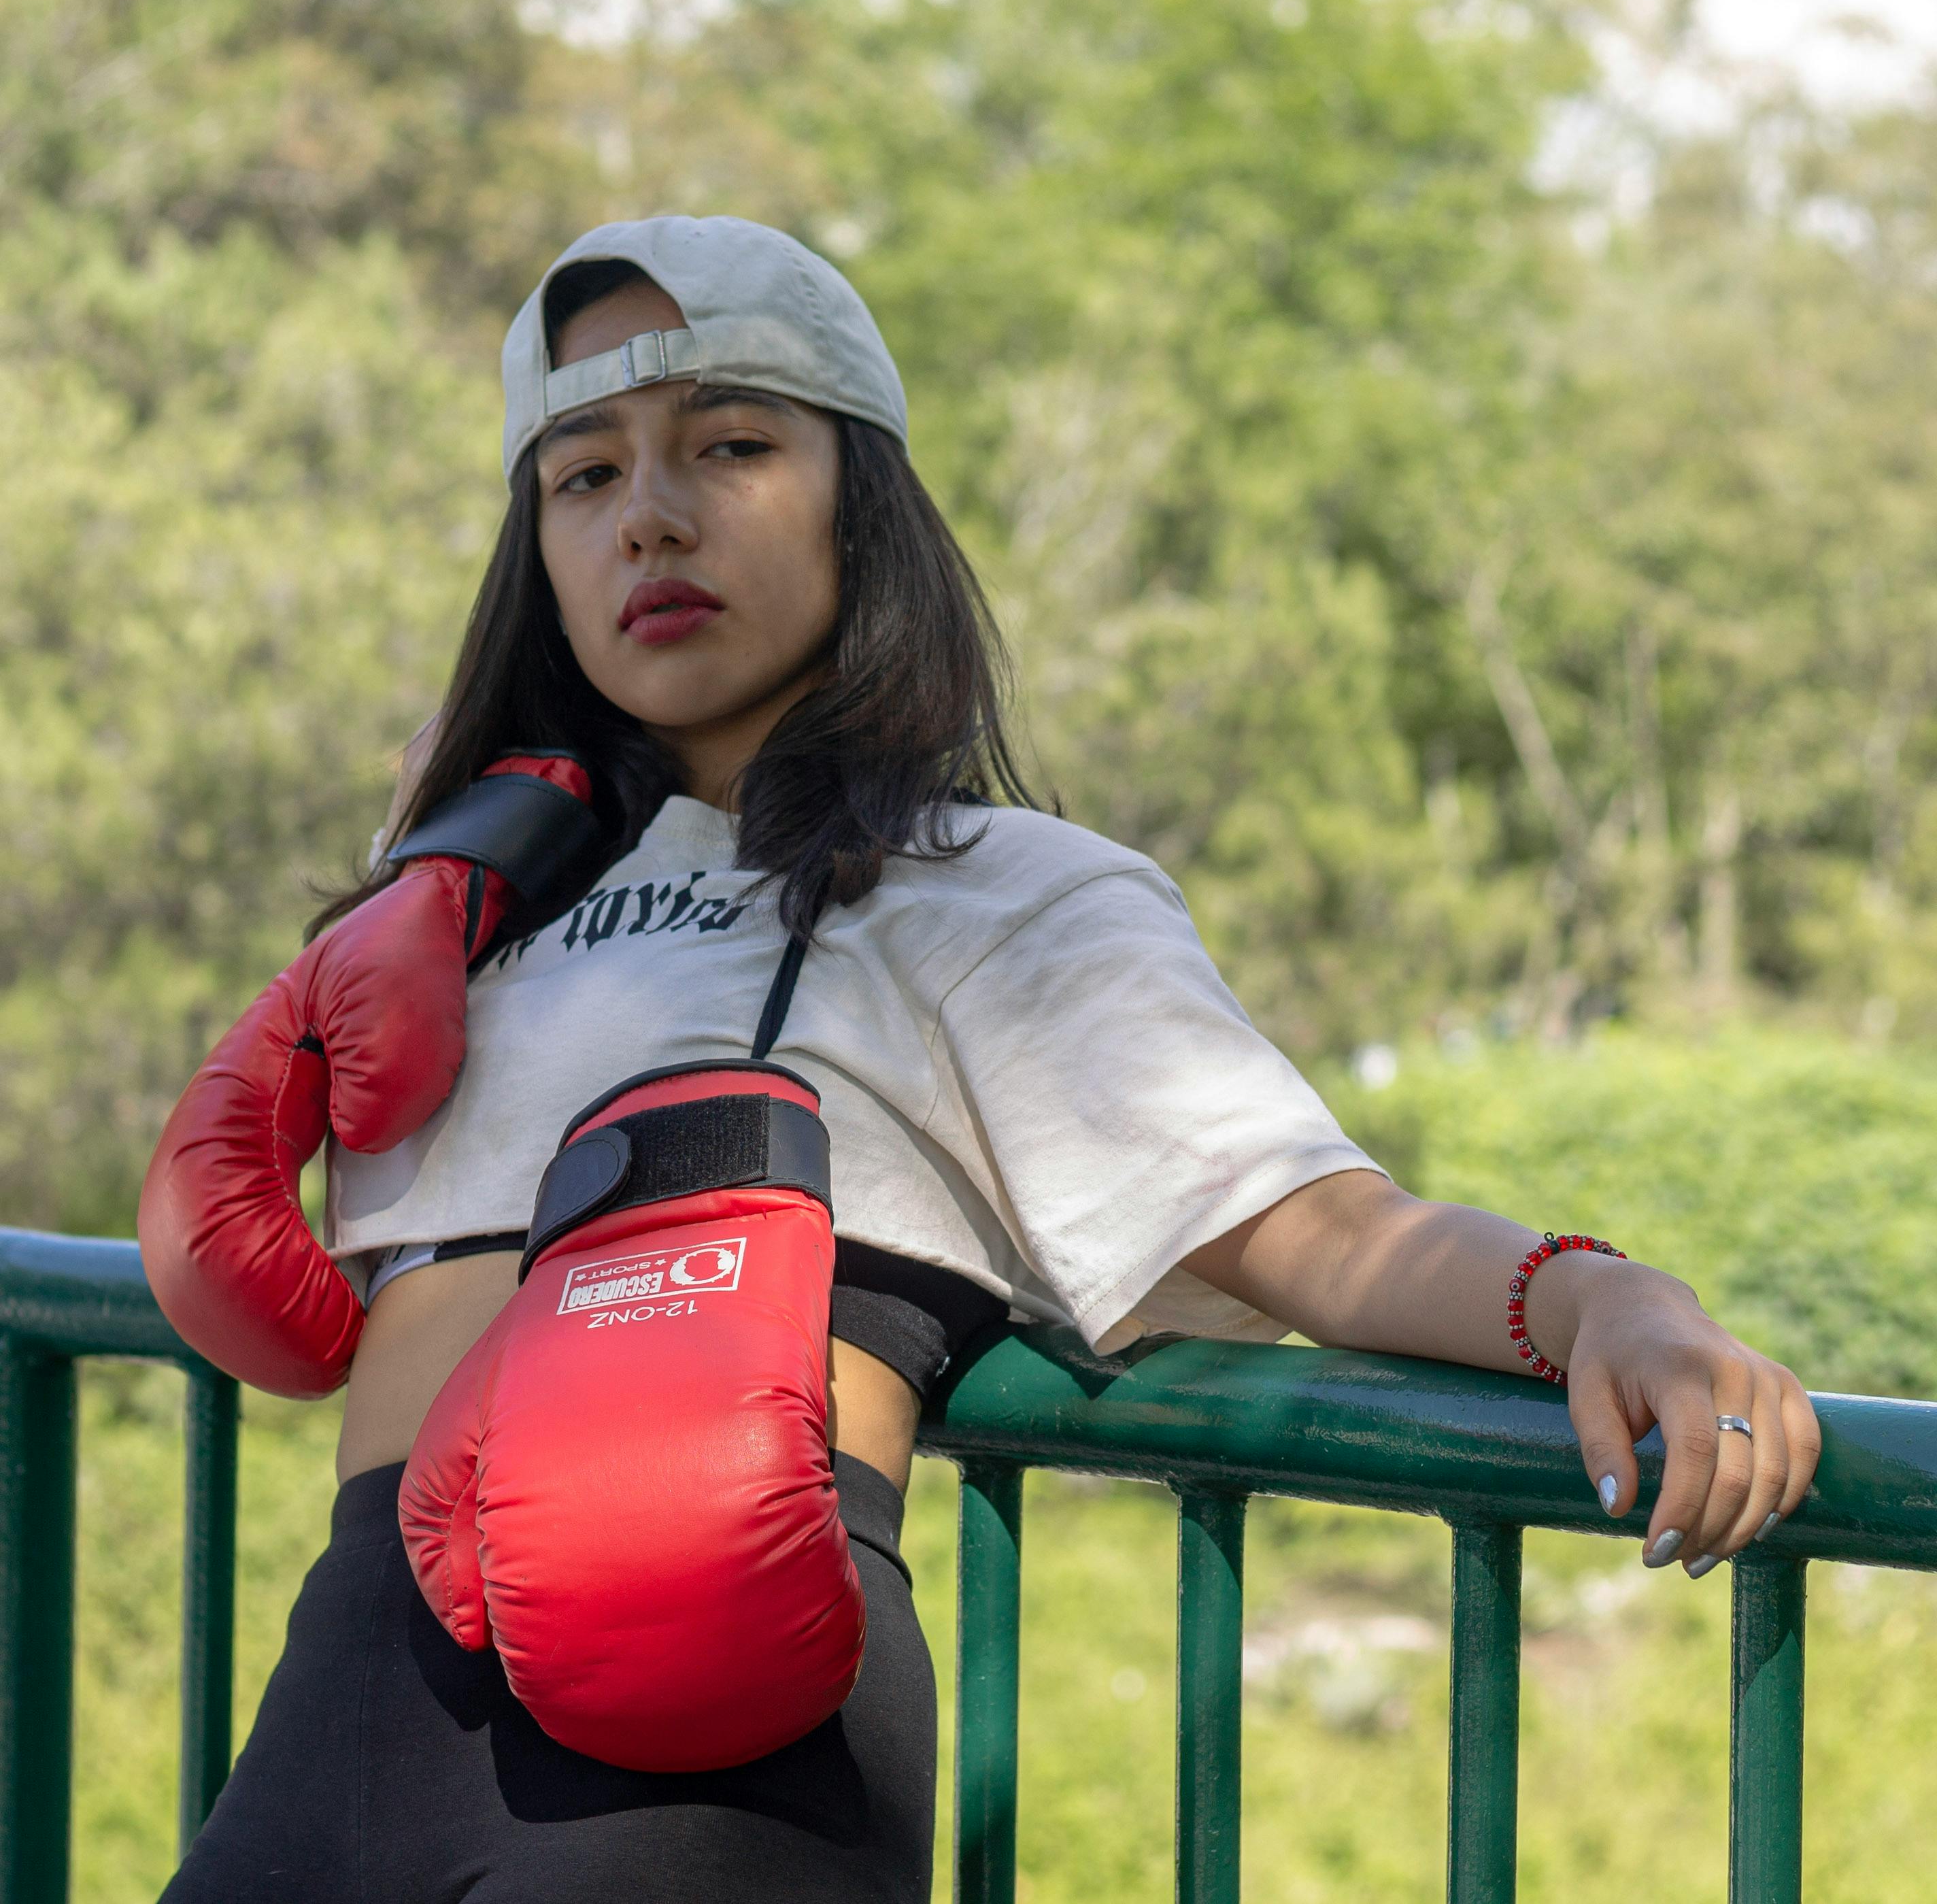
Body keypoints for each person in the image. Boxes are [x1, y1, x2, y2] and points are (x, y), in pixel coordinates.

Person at [148, 216, 1819, 1902]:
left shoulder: (999, 889)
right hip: (338, 1712)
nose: (650, 513)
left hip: (697, 1755)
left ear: (858, 499)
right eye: (582, 476)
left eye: (731, 445)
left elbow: (1319, 1229)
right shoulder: (467, 902)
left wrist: (1608, 1301)